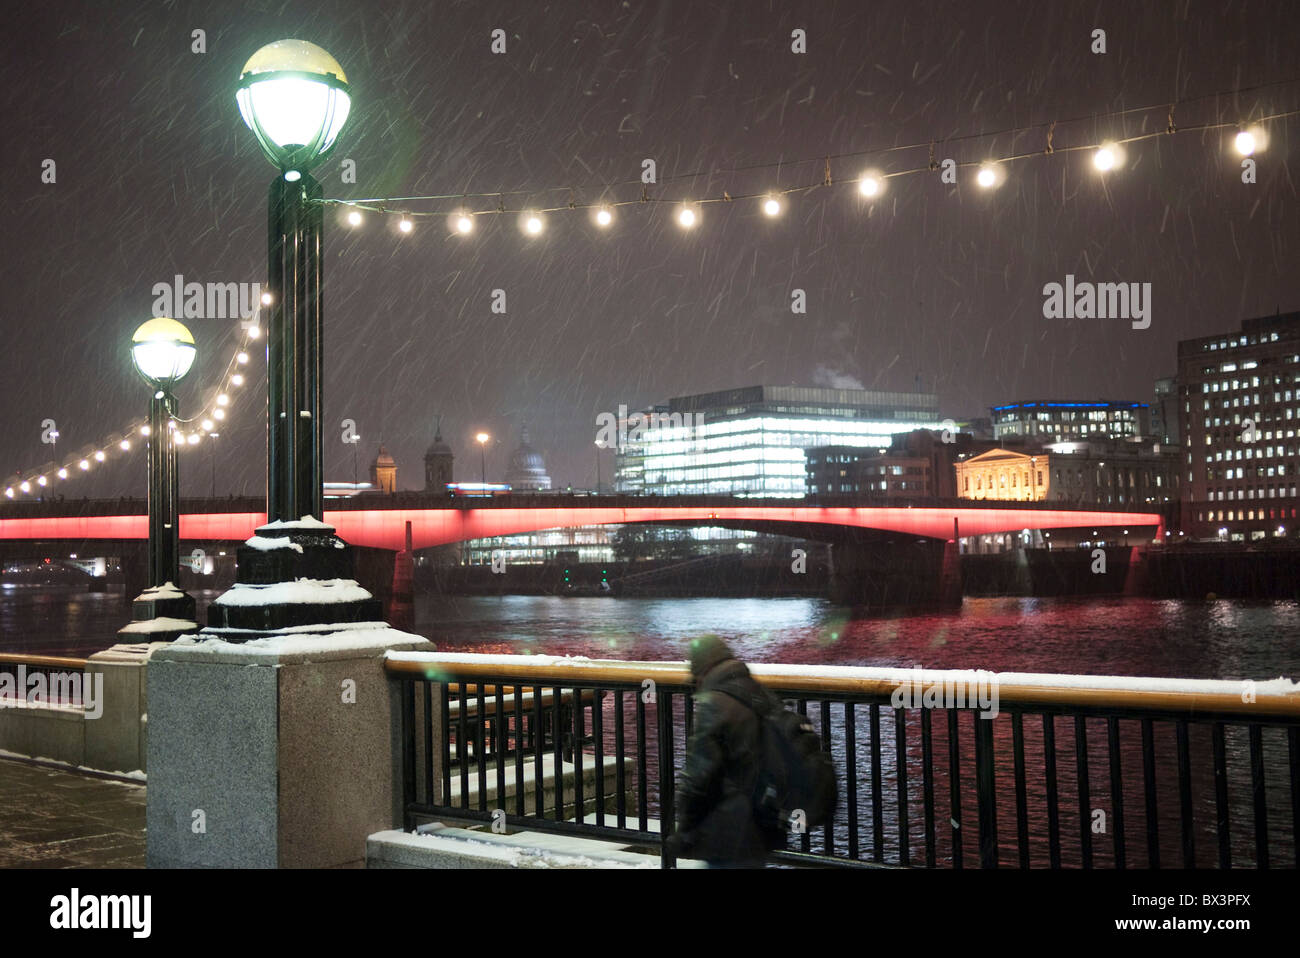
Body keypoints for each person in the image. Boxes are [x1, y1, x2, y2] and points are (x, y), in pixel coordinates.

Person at [671, 635, 785, 868]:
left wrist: (683, 828)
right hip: (761, 824)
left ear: (702, 671)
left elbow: (699, 778)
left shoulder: (715, 703)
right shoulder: (759, 693)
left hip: (727, 829)